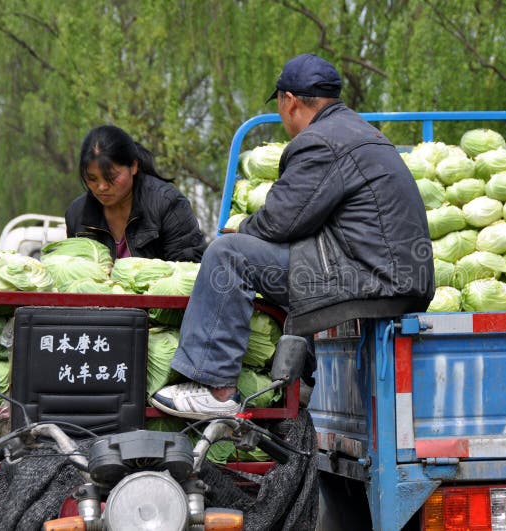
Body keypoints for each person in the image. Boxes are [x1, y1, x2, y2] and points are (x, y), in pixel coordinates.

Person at [151, 53, 435, 419]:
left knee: (230, 253)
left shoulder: (320, 141)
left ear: (289, 100)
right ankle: (305, 381)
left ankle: (215, 389)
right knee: (286, 260)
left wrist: (242, 228)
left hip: (370, 278)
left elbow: (281, 222)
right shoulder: (360, 132)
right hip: (390, 276)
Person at [65, 125, 206, 262]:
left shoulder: (167, 203)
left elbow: (187, 271)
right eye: (92, 178)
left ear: (133, 166)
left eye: (111, 177)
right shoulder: (76, 213)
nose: (101, 187)